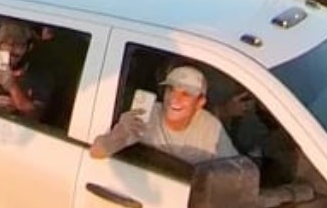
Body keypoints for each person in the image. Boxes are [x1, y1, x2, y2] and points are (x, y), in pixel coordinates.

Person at [90, 64, 240, 164]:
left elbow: (235, 172)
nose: (175, 99)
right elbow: (97, 152)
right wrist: (121, 132)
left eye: (186, 94)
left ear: (200, 103)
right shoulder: (147, 114)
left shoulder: (211, 127)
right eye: (170, 90)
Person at [0, 20, 54, 121]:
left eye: (18, 45)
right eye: (6, 43)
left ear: (29, 47)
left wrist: (13, 87)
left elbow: (35, 115)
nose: (11, 50)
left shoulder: (39, 75)